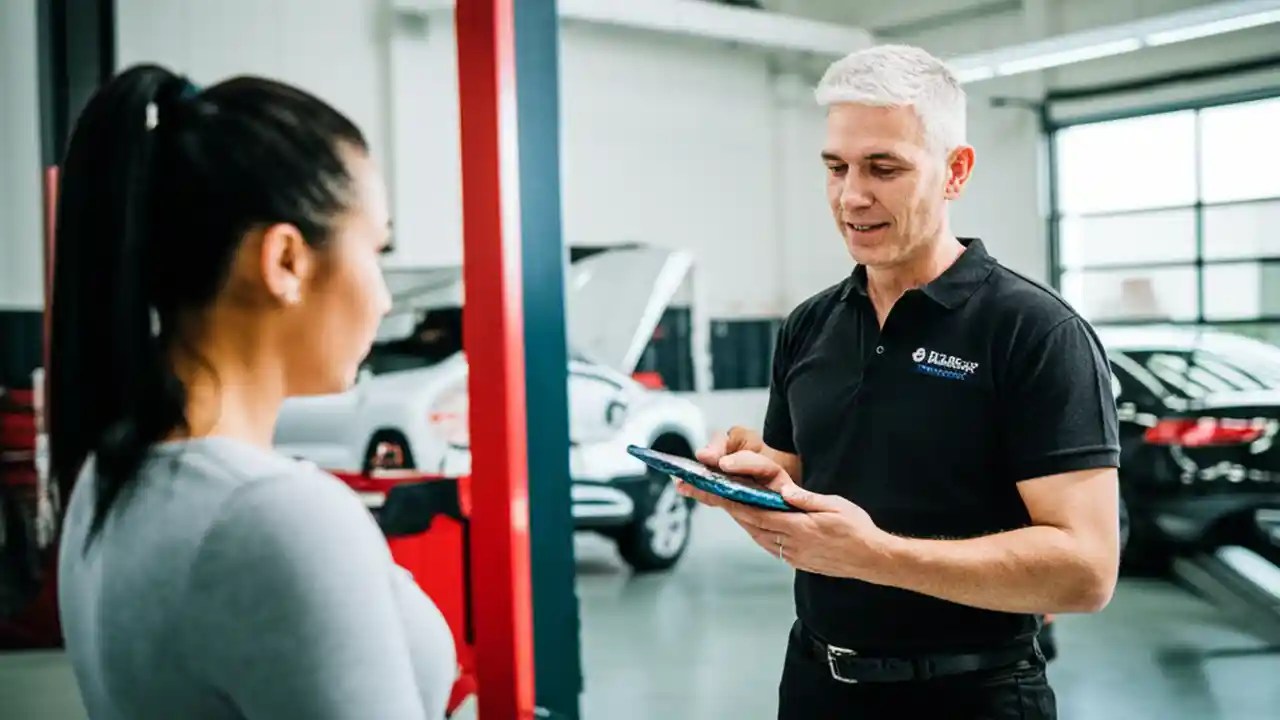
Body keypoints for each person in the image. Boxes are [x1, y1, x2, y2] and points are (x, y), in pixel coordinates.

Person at [679, 45, 1120, 719]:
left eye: (884, 168)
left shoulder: (1035, 333)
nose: (852, 195)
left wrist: (877, 556)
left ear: (956, 172)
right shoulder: (811, 325)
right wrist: (752, 483)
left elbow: (1086, 571)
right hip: (817, 683)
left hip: (972, 695)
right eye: (837, 167)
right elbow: (798, 488)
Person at [50, 64, 457, 719]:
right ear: (285, 261)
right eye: (375, 251)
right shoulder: (270, 517)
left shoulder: (111, 476)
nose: (384, 299)